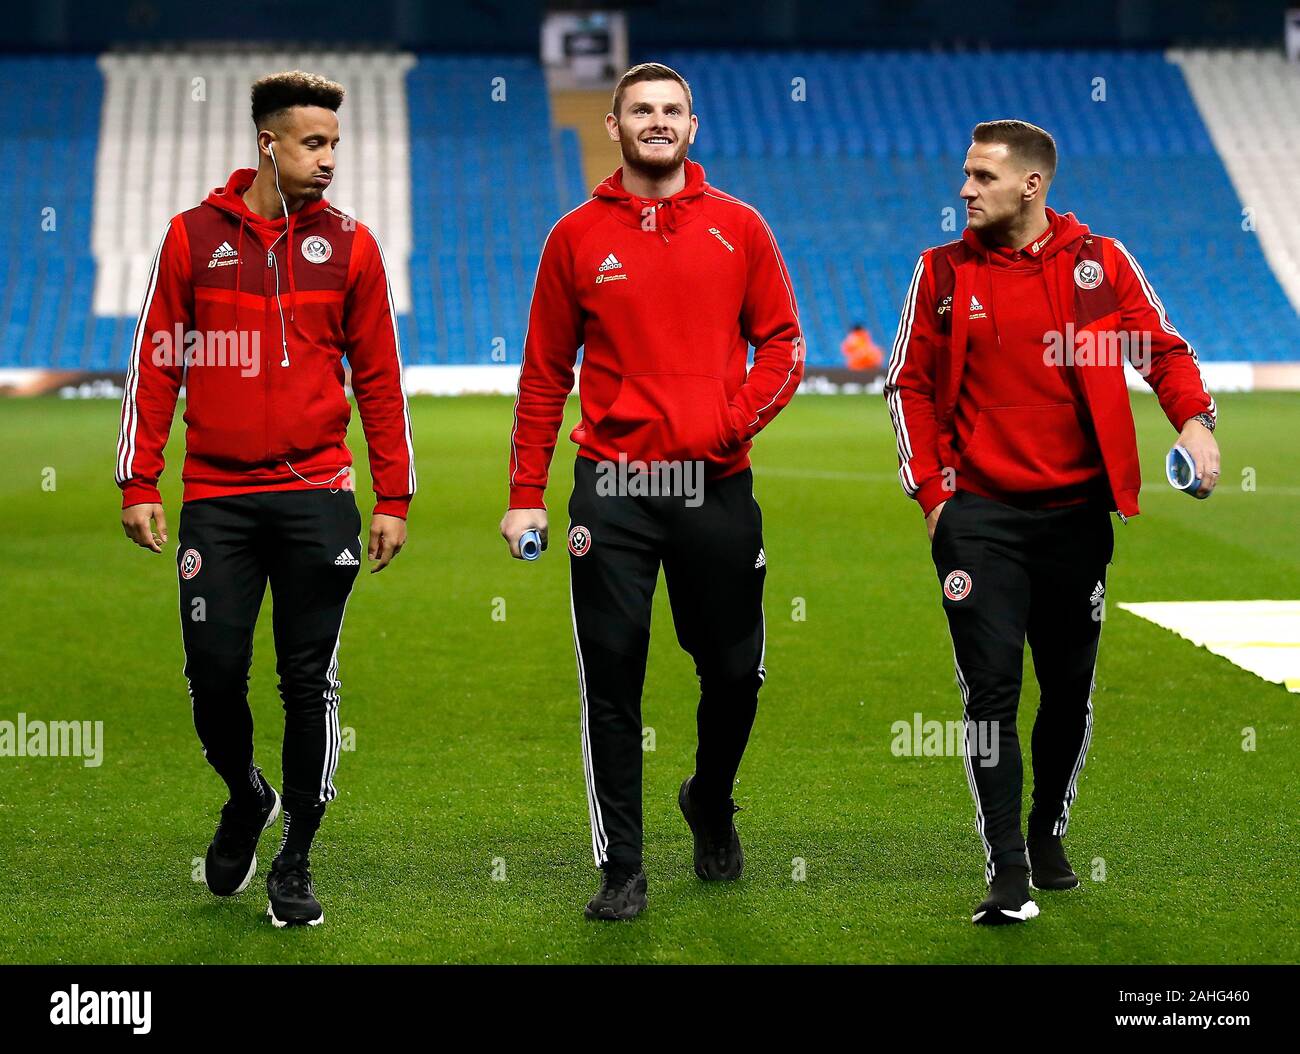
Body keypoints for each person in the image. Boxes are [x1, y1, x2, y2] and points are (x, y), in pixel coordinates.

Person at [884, 119, 1218, 925]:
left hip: (1075, 518)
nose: (964, 190)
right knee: (991, 692)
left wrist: (1196, 422)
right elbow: (908, 387)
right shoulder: (940, 274)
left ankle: (1045, 831)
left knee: (1067, 691)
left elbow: (1161, 352)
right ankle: (1005, 866)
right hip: (980, 521)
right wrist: (934, 497)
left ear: (1031, 185)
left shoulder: (1100, 265)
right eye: (965, 175)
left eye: (981, 177)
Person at [500, 62, 803, 920]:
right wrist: (526, 490)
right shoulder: (574, 238)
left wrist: (731, 422)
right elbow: (543, 374)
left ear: (693, 127)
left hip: (716, 486)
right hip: (614, 489)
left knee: (735, 672)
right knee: (612, 678)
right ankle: (622, 865)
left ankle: (709, 798)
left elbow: (782, 343)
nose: (658, 122)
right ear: (615, 125)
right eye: (642, 110)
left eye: (672, 110)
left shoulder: (740, 228)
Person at [115, 70, 415, 928]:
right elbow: (157, 366)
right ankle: (248, 796)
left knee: (305, 679)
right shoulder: (189, 239)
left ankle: (295, 857)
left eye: (334, 145)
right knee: (212, 675)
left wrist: (392, 492)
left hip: (318, 496)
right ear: (267, 144)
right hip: (217, 499)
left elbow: (381, 382)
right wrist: (140, 478)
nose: (329, 161)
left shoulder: (353, 246)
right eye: (313, 144)